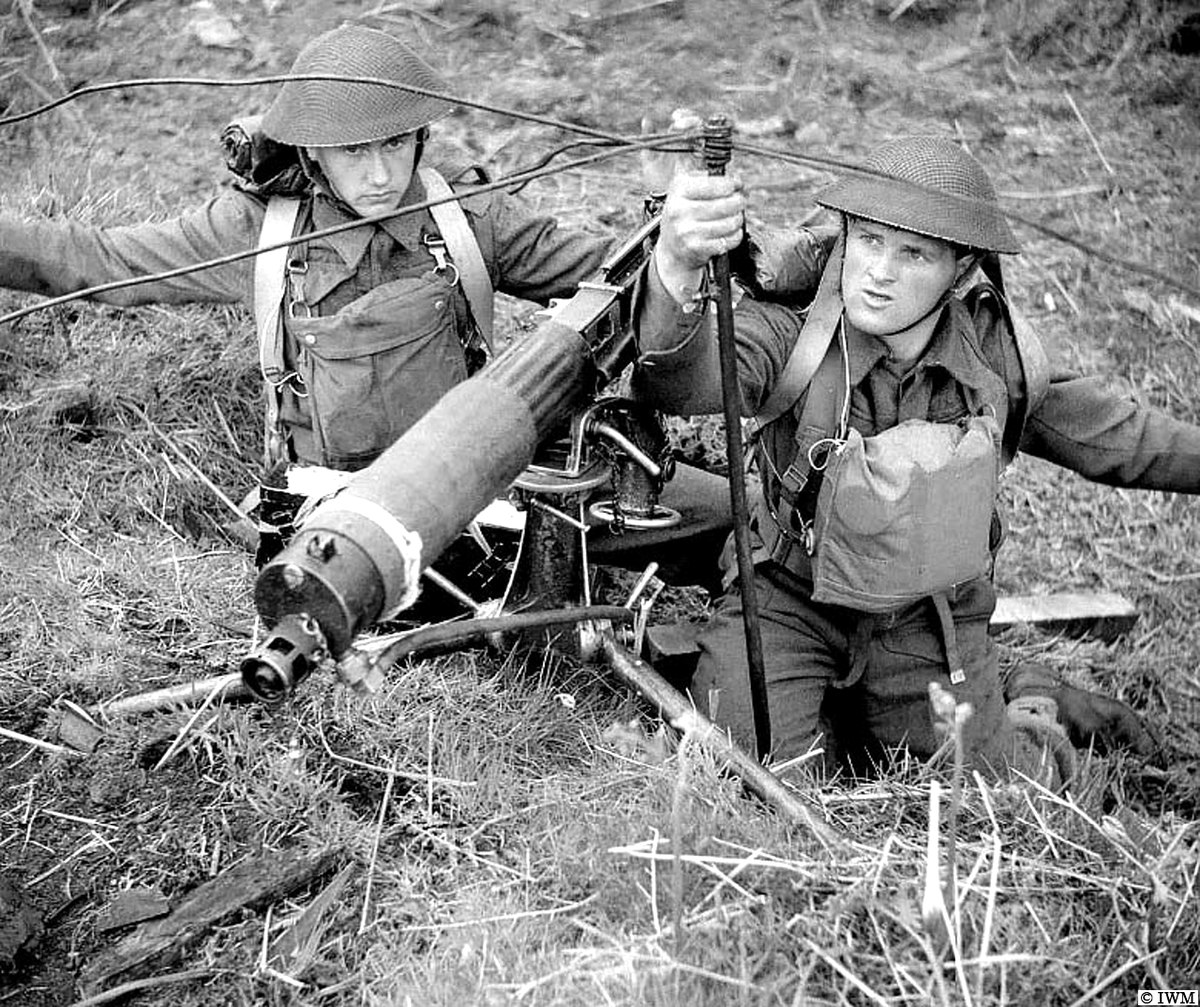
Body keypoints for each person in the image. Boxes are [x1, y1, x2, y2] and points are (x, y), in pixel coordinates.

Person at [632, 135, 1200, 780]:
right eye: (869, 241)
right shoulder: (792, 335)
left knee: (1003, 803)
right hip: (788, 600)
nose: (879, 271)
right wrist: (674, 265)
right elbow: (677, 381)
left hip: (928, 619)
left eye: (914, 254)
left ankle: (1035, 701)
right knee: (745, 785)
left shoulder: (996, 357)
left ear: (959, 271)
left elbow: (1121, 439)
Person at [0, 24, 610, 511]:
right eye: (353, 150)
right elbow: (102, 259)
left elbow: (612, 277)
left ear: (420, 137)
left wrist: (681, 240)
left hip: (468, 485)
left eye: (394, 144)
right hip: (326, 498)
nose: (379, 176)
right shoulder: (261, 231)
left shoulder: (470, 218)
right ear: (311, 149)